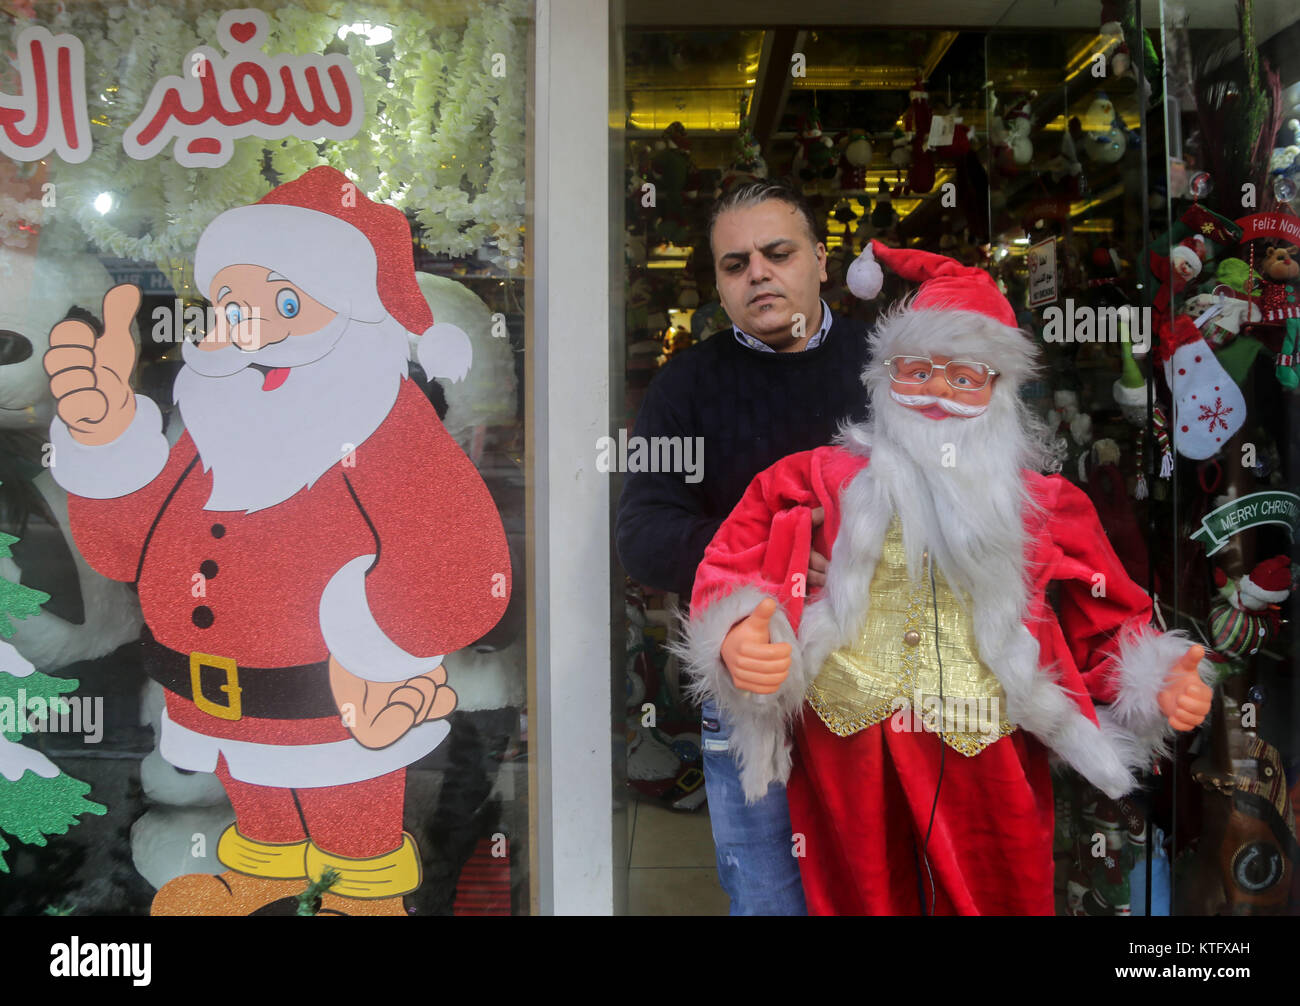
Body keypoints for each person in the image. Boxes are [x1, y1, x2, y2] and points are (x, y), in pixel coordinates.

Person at [681, 241, 1213, 915]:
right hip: (847, 744)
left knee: (997, 892)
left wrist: (1157, 677)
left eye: (965, 378)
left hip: (984, 747)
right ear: (884, 378)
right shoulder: (815, 478)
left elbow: (1105, 617)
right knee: (858, 897)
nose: (937, 392)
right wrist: (736, 639)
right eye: (919, 371)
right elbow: (734, 556)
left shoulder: (1044, 505)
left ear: (999, 390)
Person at [43, 166, 510, 915]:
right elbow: (125, 548)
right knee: (260, 797)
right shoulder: (208, 429)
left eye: (284, 302)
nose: (247, 327)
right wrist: (104, 443)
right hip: (217, 704)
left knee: (349, 808)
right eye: (231, 302)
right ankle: (267, 873)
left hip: (333, 703)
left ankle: (359, 894)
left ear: (353, 320)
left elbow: (460, 564)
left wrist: (369, 638)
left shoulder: (383, 429)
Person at [615, 180, 872, 914]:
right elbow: (644, 532)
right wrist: (774, 550)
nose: (757, 272)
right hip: (752, 686)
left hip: (890, 672)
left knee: (886, 887)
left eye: (777, 253)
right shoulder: (685, 388)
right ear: (721, 285)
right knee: (769, 897)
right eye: (735, 264)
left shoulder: (890, 366)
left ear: (822, 262)